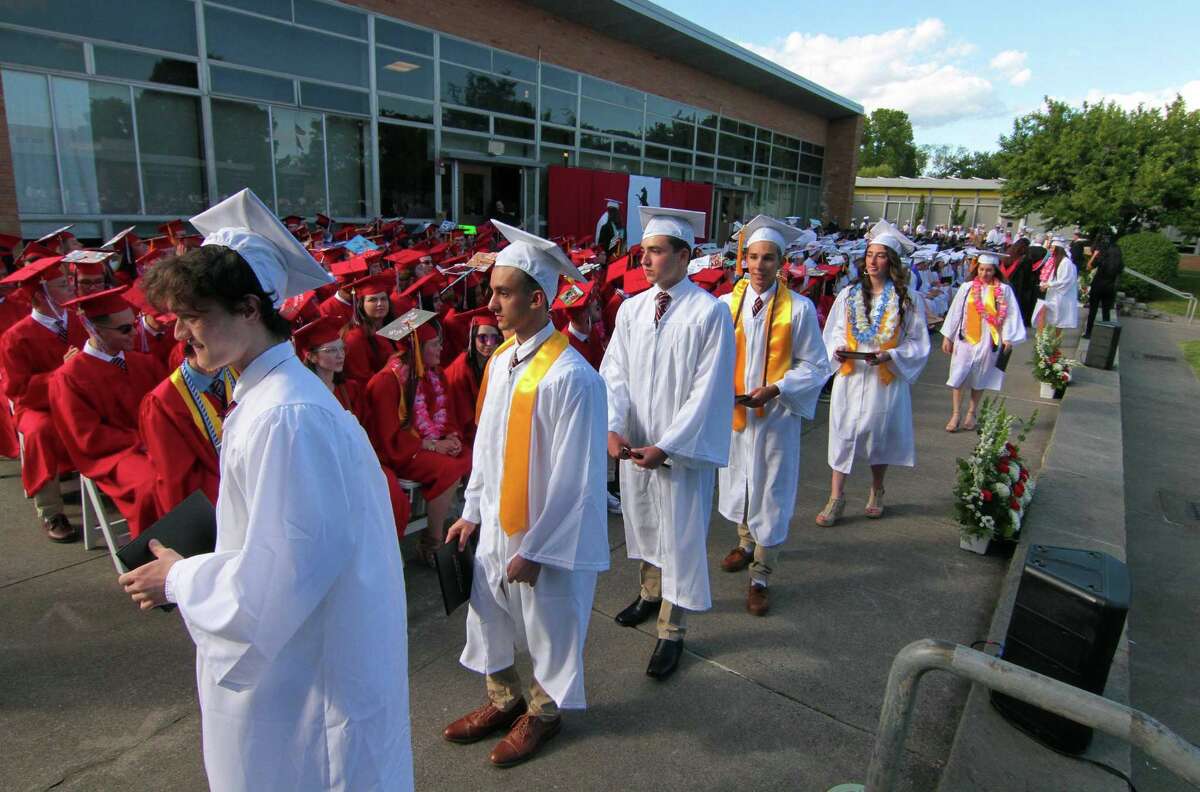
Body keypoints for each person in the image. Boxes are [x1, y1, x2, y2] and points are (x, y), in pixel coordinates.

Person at [117, 189, 413, 792]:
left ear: (250, 308)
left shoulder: (285, 415)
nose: (179, 335)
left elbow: (286, 572)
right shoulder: (269, 395)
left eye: (193, 315)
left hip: (306, 678)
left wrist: (177, 577)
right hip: (304, 660)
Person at [442, 220, 608, 767]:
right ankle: (503, 698)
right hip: (494, 522)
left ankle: (542, 713)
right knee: (488, 615)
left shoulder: (570, 377)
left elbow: (575, 478)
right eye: (492, 291)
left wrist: (538, 549)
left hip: (540, 536)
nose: (490, 303)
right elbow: (486, 449)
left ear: (538, 299)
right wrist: (470, 510)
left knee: (547, 628)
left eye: (502, 292)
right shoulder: (501, 360)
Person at [600, 206, 735, 680]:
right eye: (643, 252)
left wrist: (669, 445)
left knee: (679, 538)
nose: (645, 260)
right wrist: (613, 426)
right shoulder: (633, 309)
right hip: (636, 446)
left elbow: (709, 391)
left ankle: (671, 631)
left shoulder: (709, 313)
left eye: (656, 251)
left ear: (684, 255)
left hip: (679, 456)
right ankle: (650, 593)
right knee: (644, 528)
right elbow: (613, 373)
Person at [715, 216, 830, 616]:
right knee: (740, 483)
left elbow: (816, 366)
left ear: (781, 262)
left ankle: (761, 574)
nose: (759, 265)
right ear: (743, 260)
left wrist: (778, 388)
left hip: (776, 418)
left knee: (772, 492)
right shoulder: (725, 305)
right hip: (735, 418)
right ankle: (745, 543)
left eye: (768, 258)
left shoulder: (799, 309)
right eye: (753, 257)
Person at [815, 221, 930, 527]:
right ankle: (836, 497)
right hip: (851, 376)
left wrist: (891, 354)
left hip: (885, 377)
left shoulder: (908, 300)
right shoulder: (848, 295)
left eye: (881, 256)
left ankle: (876, 489)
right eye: (870, 254)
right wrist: (838, 348)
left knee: (880, 435)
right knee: (843, 434)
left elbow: (918, 342)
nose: (873, 261)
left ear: (891, 261)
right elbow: (834, 331)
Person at [48, 286, 163, 537]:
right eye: (124, 329)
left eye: (133, 324)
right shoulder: (69, 377)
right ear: (94, 329)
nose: (135, 332)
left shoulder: (143, 363)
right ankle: (150, 553)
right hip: (112, 455)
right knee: (153, 482)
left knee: (194, 469)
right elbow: (87, 436)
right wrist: (141, 441)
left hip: (153, 444)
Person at [295, 313, 413, 539]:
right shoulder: (302, 396)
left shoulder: (350, 389)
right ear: (311, 356)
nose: (340, 356)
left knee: (390, 494)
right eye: (331, 351)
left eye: (342, 349)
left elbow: (367, 427)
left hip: (359, 457)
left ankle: (388, 552)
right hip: (324, 468)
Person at [366, 318, 471, 564]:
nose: (440, 349)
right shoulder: (387, 382)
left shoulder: (433, 374)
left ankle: (442, 530)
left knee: (465, 454)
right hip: (396, 452)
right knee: (450, 467)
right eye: (434, 344)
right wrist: (435, 445)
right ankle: (433, 541)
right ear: (417, 348)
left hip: (426, 445)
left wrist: (450, 436)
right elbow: (389, 437)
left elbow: (447, 413)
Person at [0, 256, 87, 541]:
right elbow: (18, 390)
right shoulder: (16, 337)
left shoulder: (79, 320)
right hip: (39, 405)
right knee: (39, 431)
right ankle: (51, 511)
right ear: (41, 295)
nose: (71, 288)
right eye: (62, 284)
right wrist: (60, 373)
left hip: (81, 397)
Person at [138, 342, 235, 512]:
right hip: (215, 493)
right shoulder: (164, 403)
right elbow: (178, 480)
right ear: (193, 345)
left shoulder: (240, 372)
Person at [940, 251, 1026, 432]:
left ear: (995, 271)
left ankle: (971, 412)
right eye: (981, 269)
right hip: (965, 337)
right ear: (976, 269)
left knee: (981, 376)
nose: (984, 274)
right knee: (958, 375)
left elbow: (1010, 314)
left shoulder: (1004, 290)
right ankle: (955, 414)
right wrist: (948, 336)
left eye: (988, 270)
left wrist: (1008, 337)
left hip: (990, 339)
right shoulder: (967, 288)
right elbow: (956, 311)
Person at [443, 312, 502, 447]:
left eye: (494, 338)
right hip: (465, 429)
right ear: (472, 338)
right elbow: (461, 413)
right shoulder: (460, 369)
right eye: (482, 338)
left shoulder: (498, 360)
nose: (489, 343)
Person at [342, 272, 400, 384]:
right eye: (372, 300)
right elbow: (361, 379)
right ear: (361, 304)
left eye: (383, 299)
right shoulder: (355, 337)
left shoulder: (391, 325)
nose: (380, 304)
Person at [1032, 238, 1079, 331]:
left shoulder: (1066, 262)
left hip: (1060, 296)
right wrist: (1044, 284)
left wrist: (1048, 285)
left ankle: (1052, 343)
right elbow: (1048, 275)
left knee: (1058, 322)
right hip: (1052, 294)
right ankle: (1040, 341)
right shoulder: (1053, 260)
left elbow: (1065, 280)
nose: (1051, 250)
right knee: (1041, 313)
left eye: (1053, 248)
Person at [1084, 236, 1123, 338]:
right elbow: (1120, 272)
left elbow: (1089, 266)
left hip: (1098, 284)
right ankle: (1105, 335)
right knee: (1106, 311)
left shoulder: (1102, 256)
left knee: (1093, 310)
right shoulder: (1118, 259)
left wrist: (1094, 255)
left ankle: (1088, 333)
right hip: (1110, 286)